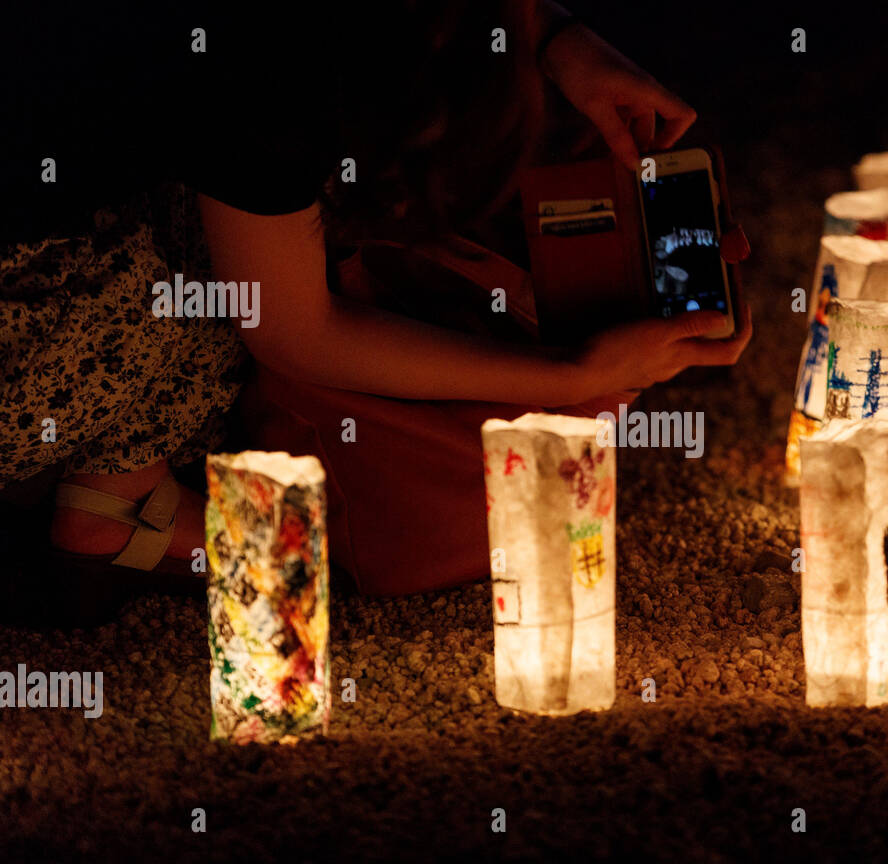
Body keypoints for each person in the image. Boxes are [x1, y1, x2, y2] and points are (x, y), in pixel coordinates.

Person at [0, 3, 751, 595]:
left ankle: (118, 486)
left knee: (261, 225)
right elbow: (294, 331)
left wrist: (551, 36)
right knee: (227, 267)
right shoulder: (276, 64)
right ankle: (117, 501)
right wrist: (571, 376)